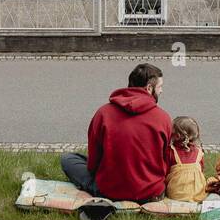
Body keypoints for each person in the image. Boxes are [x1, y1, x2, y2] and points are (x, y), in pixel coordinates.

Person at [61, 63, 173, 203]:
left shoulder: (103, 113)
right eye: (160, 87)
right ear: (149, 88)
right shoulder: (164, 118)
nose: (161, 91)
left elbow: (93, 163)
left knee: (68, 159)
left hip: (110, 192)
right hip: (150, 193)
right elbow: (166, 161)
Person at [165, 116, 207, 202]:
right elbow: (201, 170)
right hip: (198, 194)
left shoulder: (170, 151)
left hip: (177, 195)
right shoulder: (199, 152)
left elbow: (165, 172)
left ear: (177, 136)